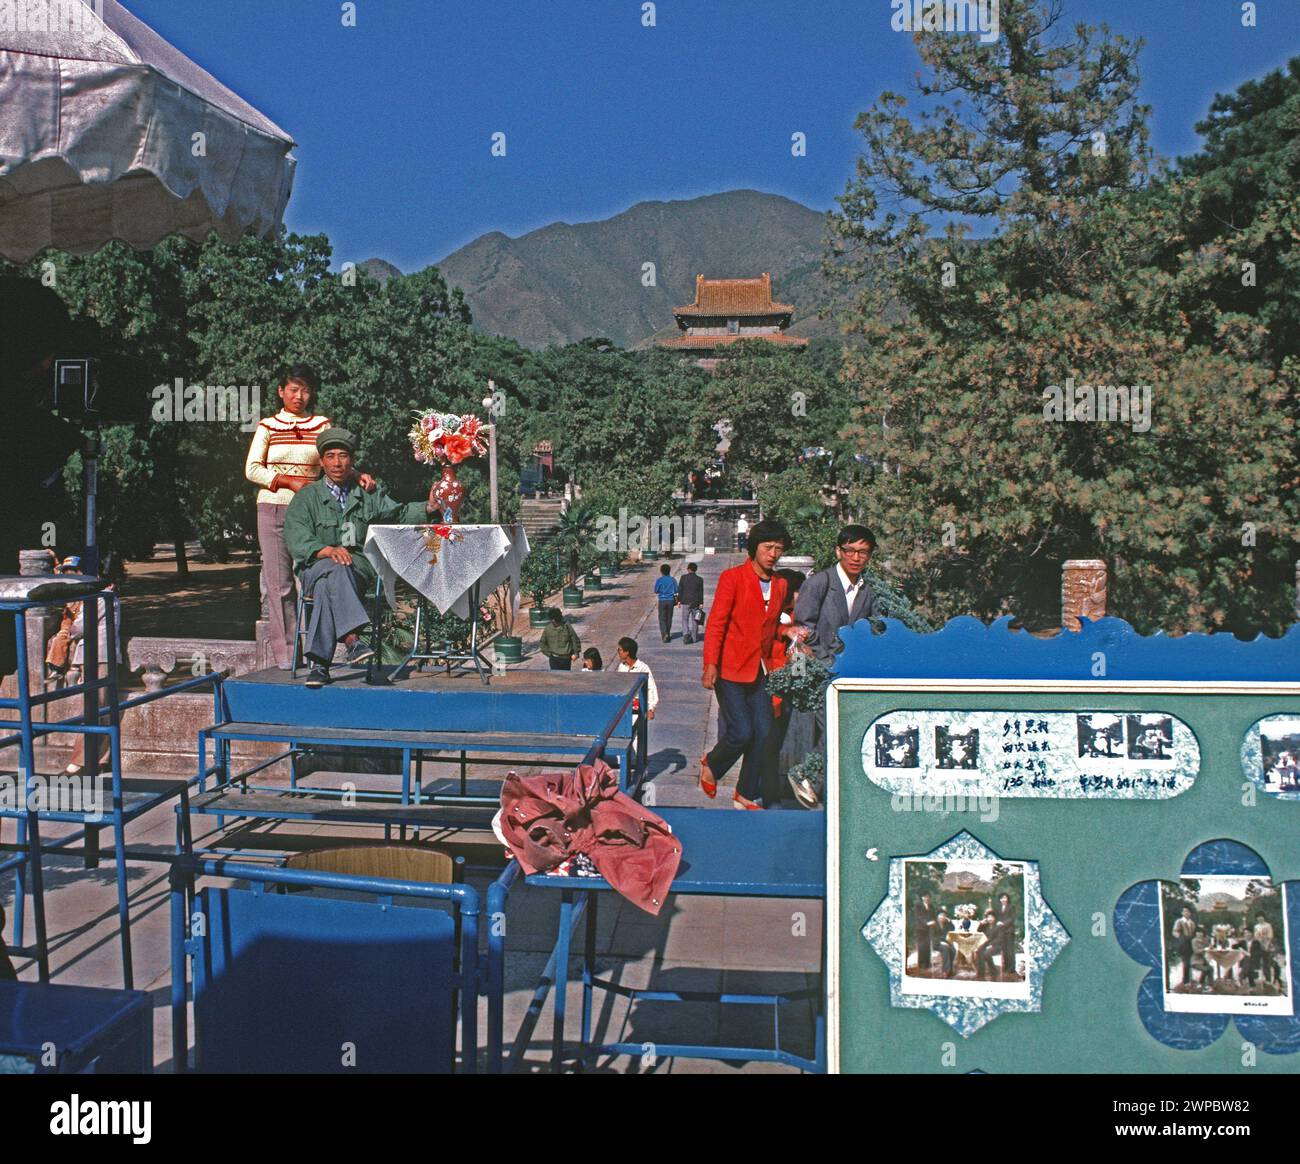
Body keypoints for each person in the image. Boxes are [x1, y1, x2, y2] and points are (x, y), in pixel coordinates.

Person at [283, 428, 441, 688]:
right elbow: (297, 538)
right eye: (330, 456)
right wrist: (326, 550)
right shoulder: (306, 498)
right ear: (321, 462)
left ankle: (320, 666)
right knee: (328, 575)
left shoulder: (367, 494)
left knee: (333, 578)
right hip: (315, 567)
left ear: (352, 460)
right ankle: (352, 641)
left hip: (358, 568)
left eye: (343, 456)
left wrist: (429, 507)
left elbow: (399, 514)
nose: (337, 462)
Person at [245, 365, 377, 671]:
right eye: (293, 390)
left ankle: (319, 653)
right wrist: (288, 481)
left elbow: (334, 458)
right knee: (279, 585)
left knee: (316, 576)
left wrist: (359, 477)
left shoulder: (321, 423)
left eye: (305, 390)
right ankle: (287, 654)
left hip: (316, 511)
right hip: (274, 507)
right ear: (281, 391)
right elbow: (252, 469)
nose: (299, 396)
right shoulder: (268, 426)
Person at [699, 520, 790, 809]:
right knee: (741, 732)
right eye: (768, 548)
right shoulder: (733, 578)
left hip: (760, 670)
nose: (773, 554)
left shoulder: (781, 584)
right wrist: (710, 663)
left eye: (778, 549)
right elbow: (716, 624)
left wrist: (786, 632)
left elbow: (772, 627)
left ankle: (744, 793)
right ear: (754, 549)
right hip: (729, 667)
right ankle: (711, 763)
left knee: (764, 733)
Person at [616, 637, 657, 721]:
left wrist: (651, 709)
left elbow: (651, 688)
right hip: (624, 708)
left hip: (638, 708)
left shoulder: (643, 668)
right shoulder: (621, 667)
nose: (618, 652)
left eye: (620, 650)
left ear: (627, 652)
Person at [678, 561, 705, 645]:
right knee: (695, 620)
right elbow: (701, 592)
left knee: (684, 619)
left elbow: (680, 590)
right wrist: (701, 603)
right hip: (696, 602)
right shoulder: (699, 579)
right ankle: (694, 637)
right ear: (695, 570)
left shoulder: (683, 577)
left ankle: (686, 634)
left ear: (688, 569)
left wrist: (679, 600)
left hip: (685, 601)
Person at [1170, 905, 1197, 989]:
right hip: (1183, 944)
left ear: (1190, 913)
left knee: (1190, 962)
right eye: (1184, 911)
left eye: (1188, 911)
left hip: (1191, 944)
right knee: (1185, 962)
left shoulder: (1192, 923)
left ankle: (1189, 979)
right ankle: (1185, 981)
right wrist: (1181, 938)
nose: (1186, 913)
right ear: (1182, 913)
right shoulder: (1179, 921)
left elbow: (1194, 933)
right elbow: (1174, 932)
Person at [653, 563, 678, 643]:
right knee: (669, 618)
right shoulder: (673, 580)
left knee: (662, 618)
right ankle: (668, 632)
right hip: (671, 600)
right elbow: (676, 590)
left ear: (661, 571)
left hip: (662, 600)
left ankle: (664, 634)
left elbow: (656, 590)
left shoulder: (659, 580)